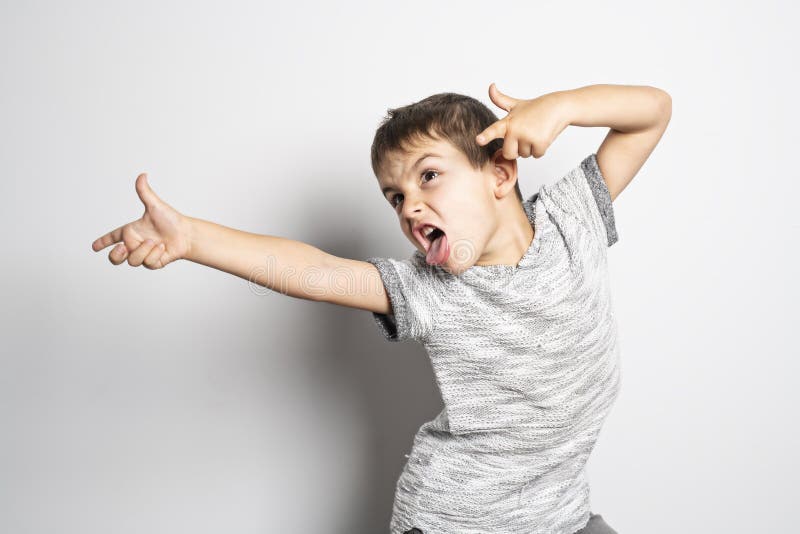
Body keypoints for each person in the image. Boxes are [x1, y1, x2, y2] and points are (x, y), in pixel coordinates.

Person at [91, 83, 671, 534]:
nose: (411, 207)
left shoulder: (572, 220)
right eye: (396, 197)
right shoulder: (430, 289)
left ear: (499, 172)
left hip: (561, 517)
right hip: (452, 521)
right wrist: (192, 238)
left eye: (429, 177)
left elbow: (652, 111)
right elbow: (315, 273)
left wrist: (564, 106)